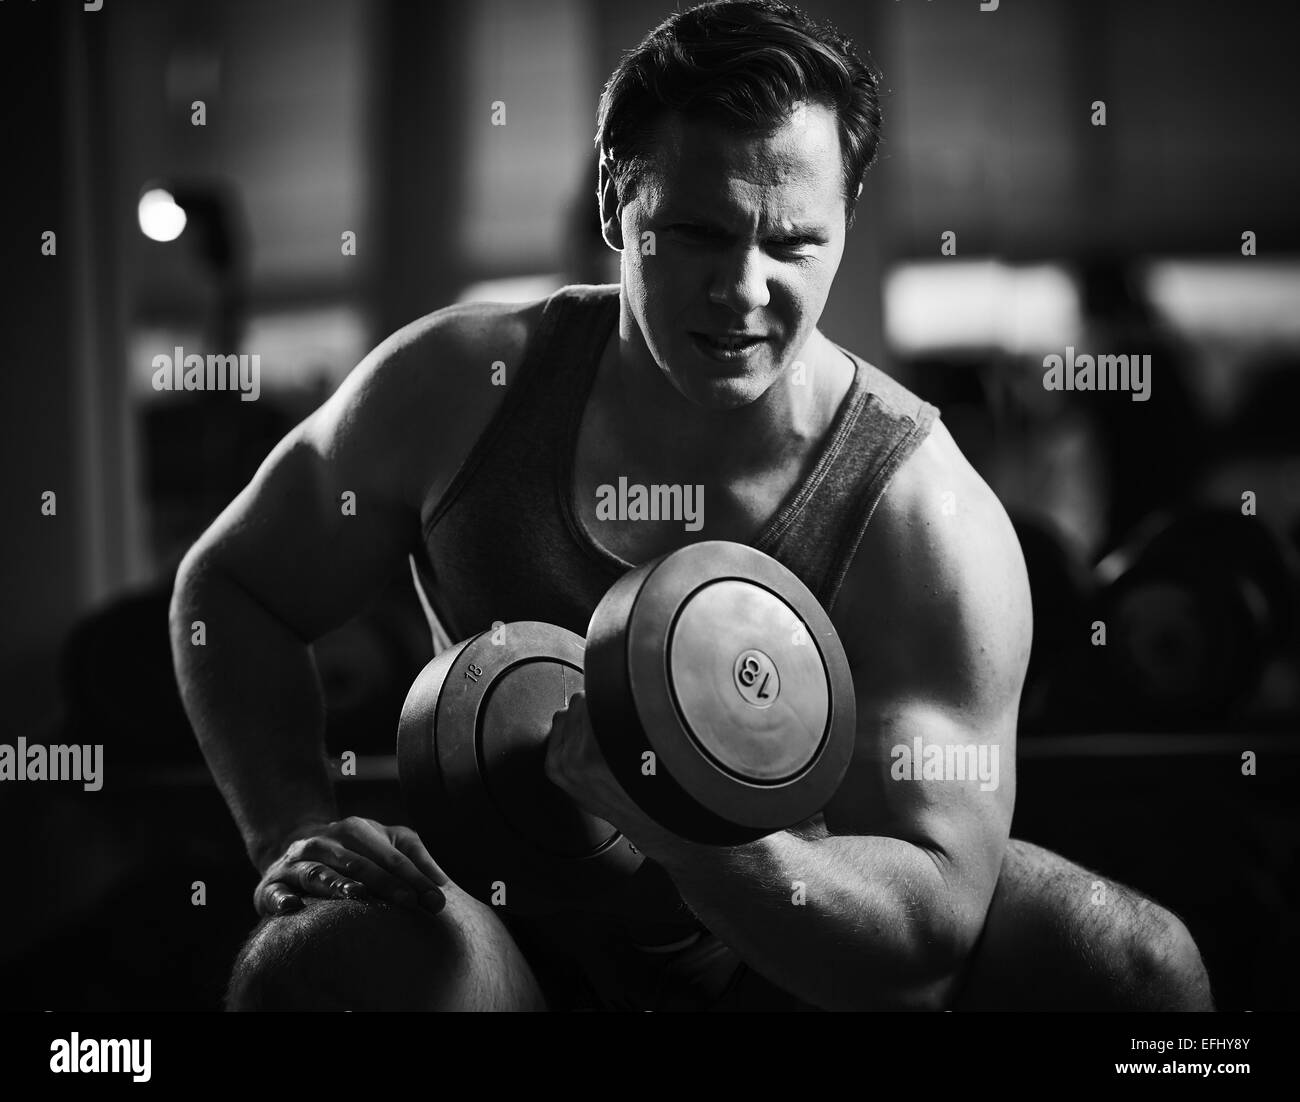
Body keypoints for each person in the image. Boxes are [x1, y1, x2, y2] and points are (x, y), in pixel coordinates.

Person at [172, 0, 1212, 1011]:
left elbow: (924, 941)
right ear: (611, 208)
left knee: (1135, 966)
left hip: (795, 936)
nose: (743, 288)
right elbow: (234, 589)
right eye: (697, 232)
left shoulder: (923, 513)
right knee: (310, 960)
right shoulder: (457, 390)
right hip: (510, 923)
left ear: (848, 221)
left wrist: (682, 827)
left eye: (793, 242)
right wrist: (289, 829)